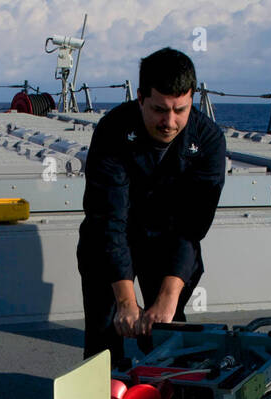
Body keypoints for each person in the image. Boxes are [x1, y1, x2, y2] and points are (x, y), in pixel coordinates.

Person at [78, 47, 226, 368]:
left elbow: (192, 228)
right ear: (141, 97)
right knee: (104, 335)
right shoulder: (112, 130)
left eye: (180, 110)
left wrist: (167, 297)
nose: (169, 122)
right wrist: (126, 303)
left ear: (192, 100)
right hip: (109, 242)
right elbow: (109, 221)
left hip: (170, 242)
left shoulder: (209, 140)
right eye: (159, 109)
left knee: (166, 336)